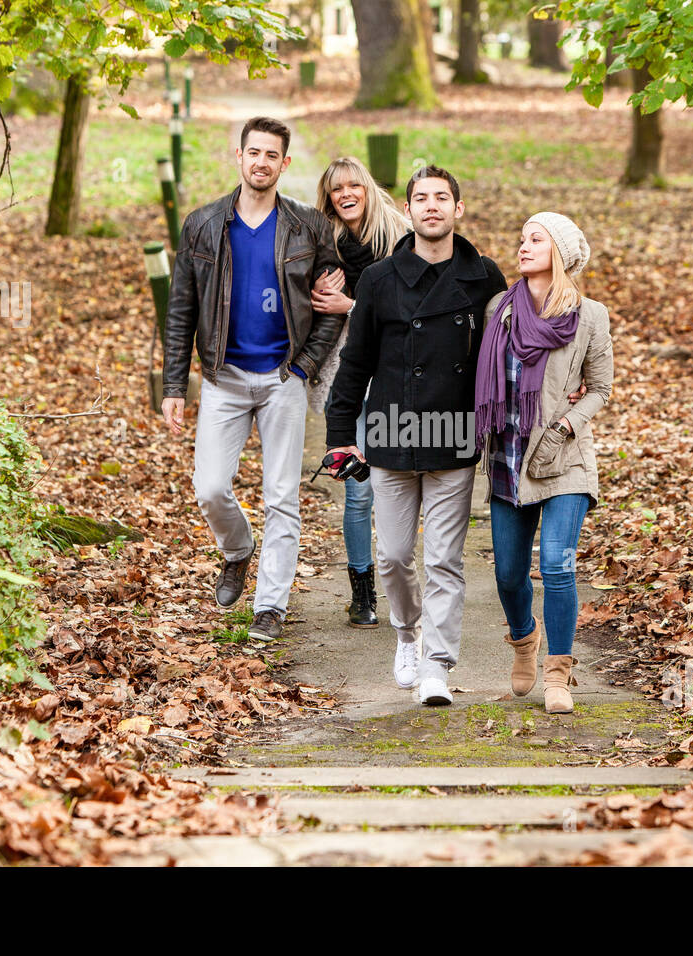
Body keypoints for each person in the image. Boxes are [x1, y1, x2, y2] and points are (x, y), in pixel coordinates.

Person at [325, 165, 508, 704]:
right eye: (421, 198)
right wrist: (341, 433)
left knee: (445, 560)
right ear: (407, 210)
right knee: (394, 556)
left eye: (442, 198)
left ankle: (436, 666)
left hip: (453, 433)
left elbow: (507, 353)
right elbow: (354, 363)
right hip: (390, 431)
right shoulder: (381, 278)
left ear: (458, 209)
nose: (432, 206)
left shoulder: (484, 276)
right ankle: (407, 634)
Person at [162, 116, 345, 643]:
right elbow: (181, 309)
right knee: (211, 487)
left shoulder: (309, 227)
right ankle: (238, 551)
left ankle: (271, 605)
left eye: (272, 155)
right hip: (223, 377)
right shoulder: (202, 224)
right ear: (238, 157)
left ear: (284, 164)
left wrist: (305, 365)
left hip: (283, 375)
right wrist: (176, 386)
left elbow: (332, 305)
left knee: (282, 495)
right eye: (254, 153)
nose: (262, 162)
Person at [475, 212, 613, 714]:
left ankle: (559, 673)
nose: (523, 246)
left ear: (559, 250)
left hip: (562, 457)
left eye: (536, 239)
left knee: (556, 564)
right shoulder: (500, 309)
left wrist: (565, 425)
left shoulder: (589, 316)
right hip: (508, 454)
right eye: (522, 238)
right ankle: (523, 637)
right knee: (509, 575)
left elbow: (600, 389)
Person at [308, 156, 409, 629]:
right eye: (335, 190)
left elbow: (409, 308)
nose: (345, 194)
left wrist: (351, 305)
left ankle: (398, 581)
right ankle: (362, 591)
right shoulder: (323, 242)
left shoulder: (400, 237)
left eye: (354, 186)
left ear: (367, 188)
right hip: (342, 376)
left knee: (396, 486)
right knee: (359, 489)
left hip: (394, 373)